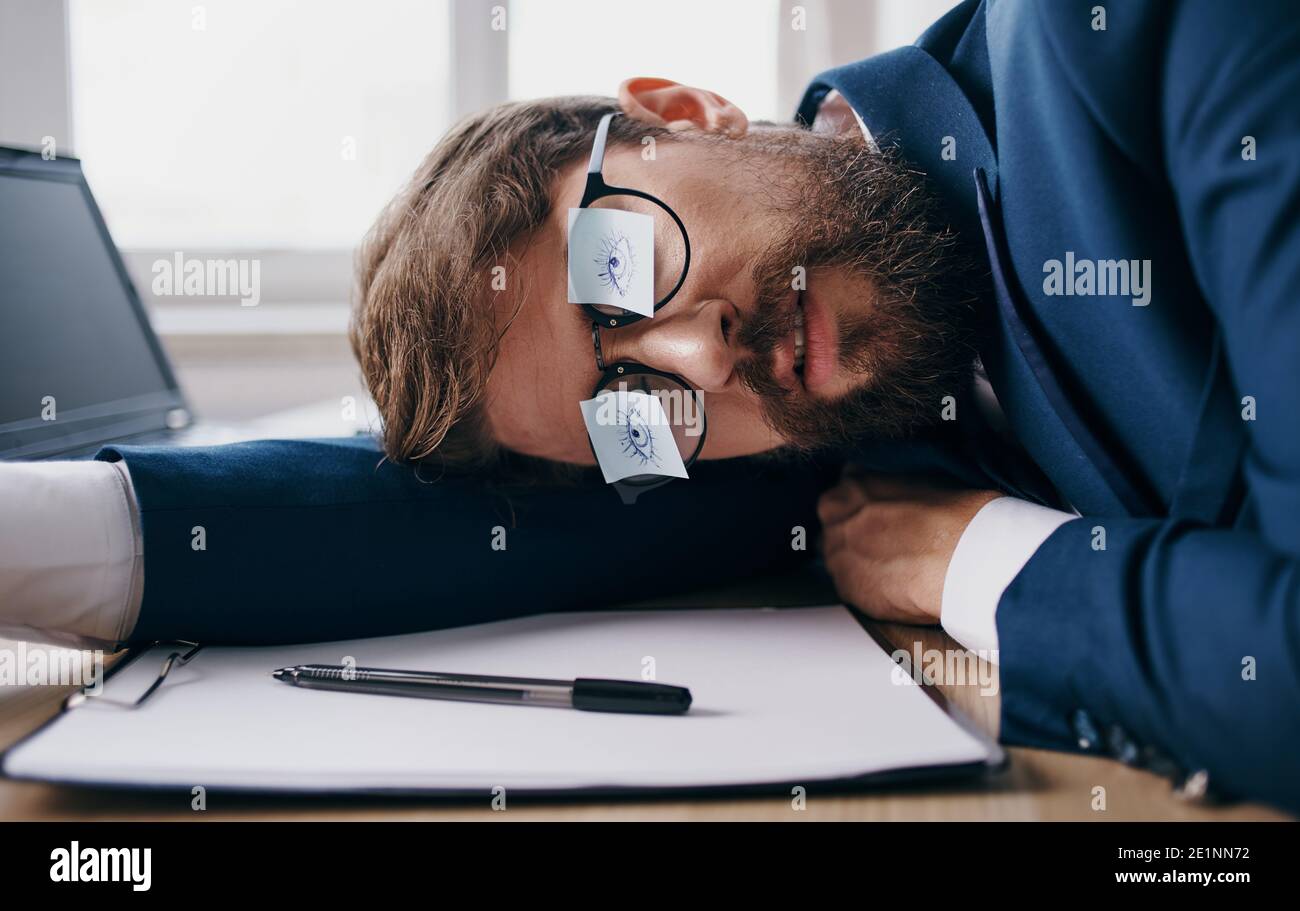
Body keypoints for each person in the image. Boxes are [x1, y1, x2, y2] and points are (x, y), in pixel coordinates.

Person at [2, 0, 1296, 810]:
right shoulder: (811, 422)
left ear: (680, 112)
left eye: (620, 275)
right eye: (626, 404)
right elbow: (440, 523)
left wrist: (974, 561)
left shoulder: (1141, 38)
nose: (701, 362)